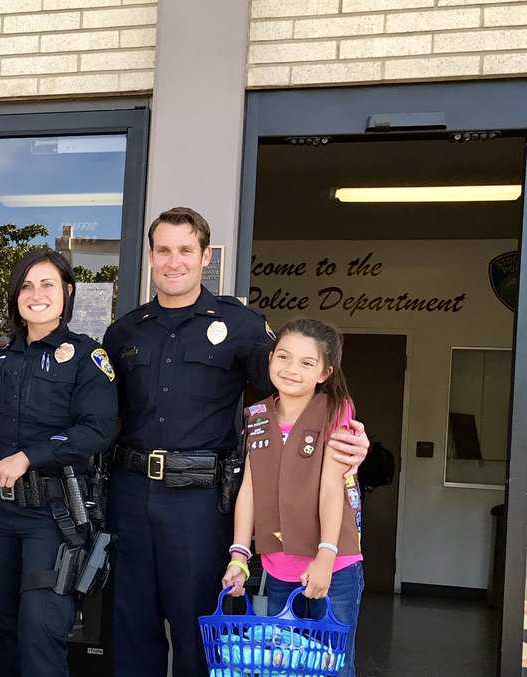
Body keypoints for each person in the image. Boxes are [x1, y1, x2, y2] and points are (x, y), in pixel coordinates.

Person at [102, 206, 371, 677]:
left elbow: (293, 391)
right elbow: (103, 414)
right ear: (150, 256)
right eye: (163, 250)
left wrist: (350, 438)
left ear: (205, 256)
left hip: (200, 500)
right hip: (130, 493)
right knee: (130, 625)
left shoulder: (242, 326)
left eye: (186, 250)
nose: (173, 261)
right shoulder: (124, 331)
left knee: (198, 628)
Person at [0, 250, 118, 677]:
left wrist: (30, 456)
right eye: (27, 285)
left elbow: (98, 430)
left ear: (67, 292)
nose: (37, 295)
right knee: (0, 626)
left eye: (47, 284)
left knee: (41, 630)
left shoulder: (89, 358)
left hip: (52, 516)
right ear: (16, 295)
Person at [223, 318, 364, 677]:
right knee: (285, 668)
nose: (291, 369)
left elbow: (332, 487)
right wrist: (239, 556)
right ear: (270, 358)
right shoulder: (255, 416)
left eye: (306, 362)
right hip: (279, 569)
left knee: (332, 665)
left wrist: (325, 557)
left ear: (324, 372)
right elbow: (250, 489)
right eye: (283, 357)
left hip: (334, 569)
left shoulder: (336, 409)